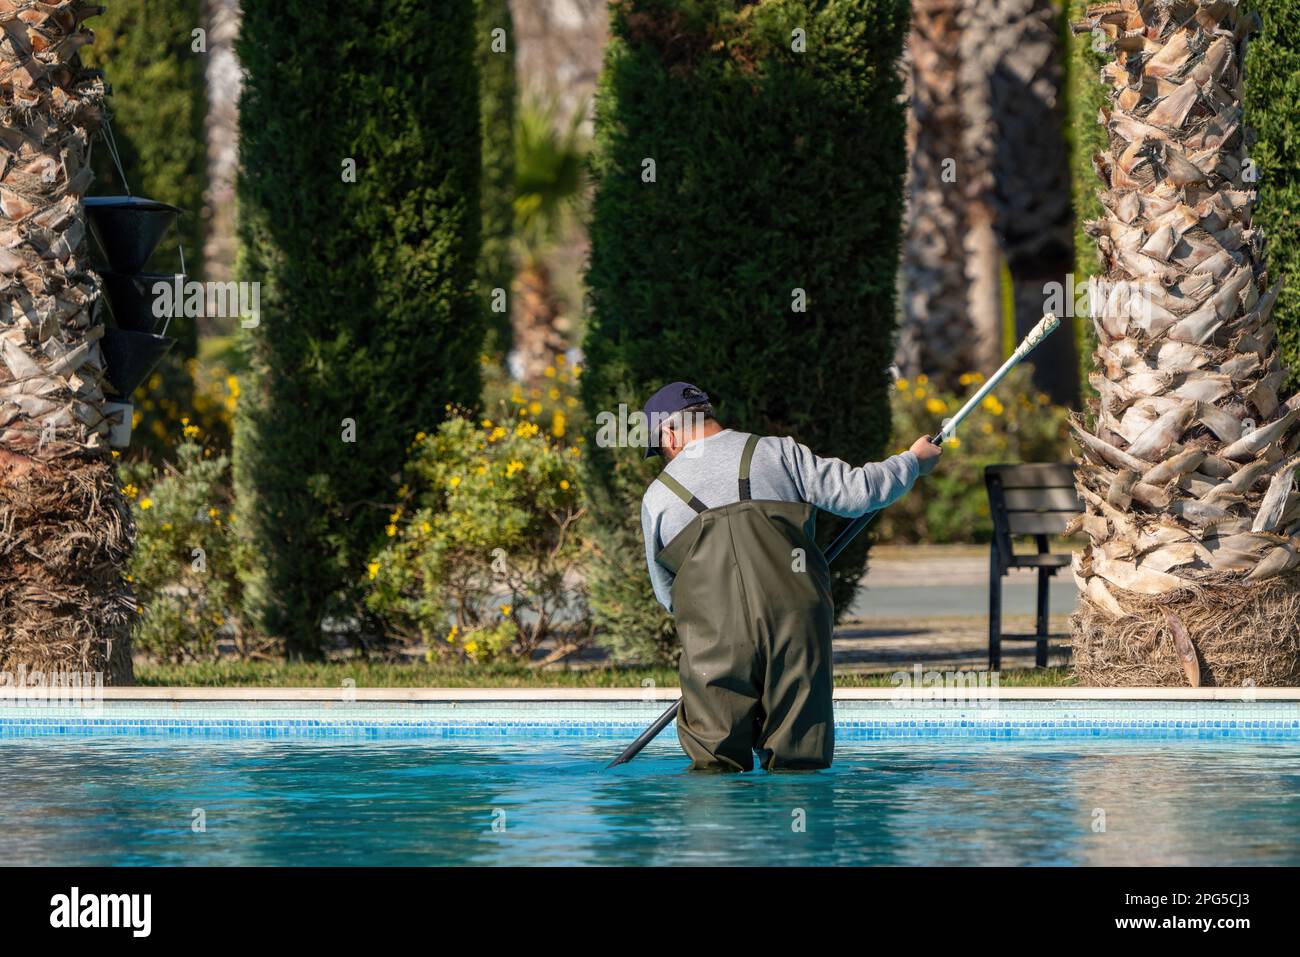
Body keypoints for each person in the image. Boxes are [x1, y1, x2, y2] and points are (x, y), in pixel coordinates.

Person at [639, 381, 942, 771]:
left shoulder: (658, 497)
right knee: (800, 757)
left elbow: (668, 594)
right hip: (797, 626)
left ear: (669, 433)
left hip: (714, 641)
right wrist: (913, 461)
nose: (666, 457)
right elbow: (860, 493)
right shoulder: (777, 452)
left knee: (714, 767)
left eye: (660, 449)